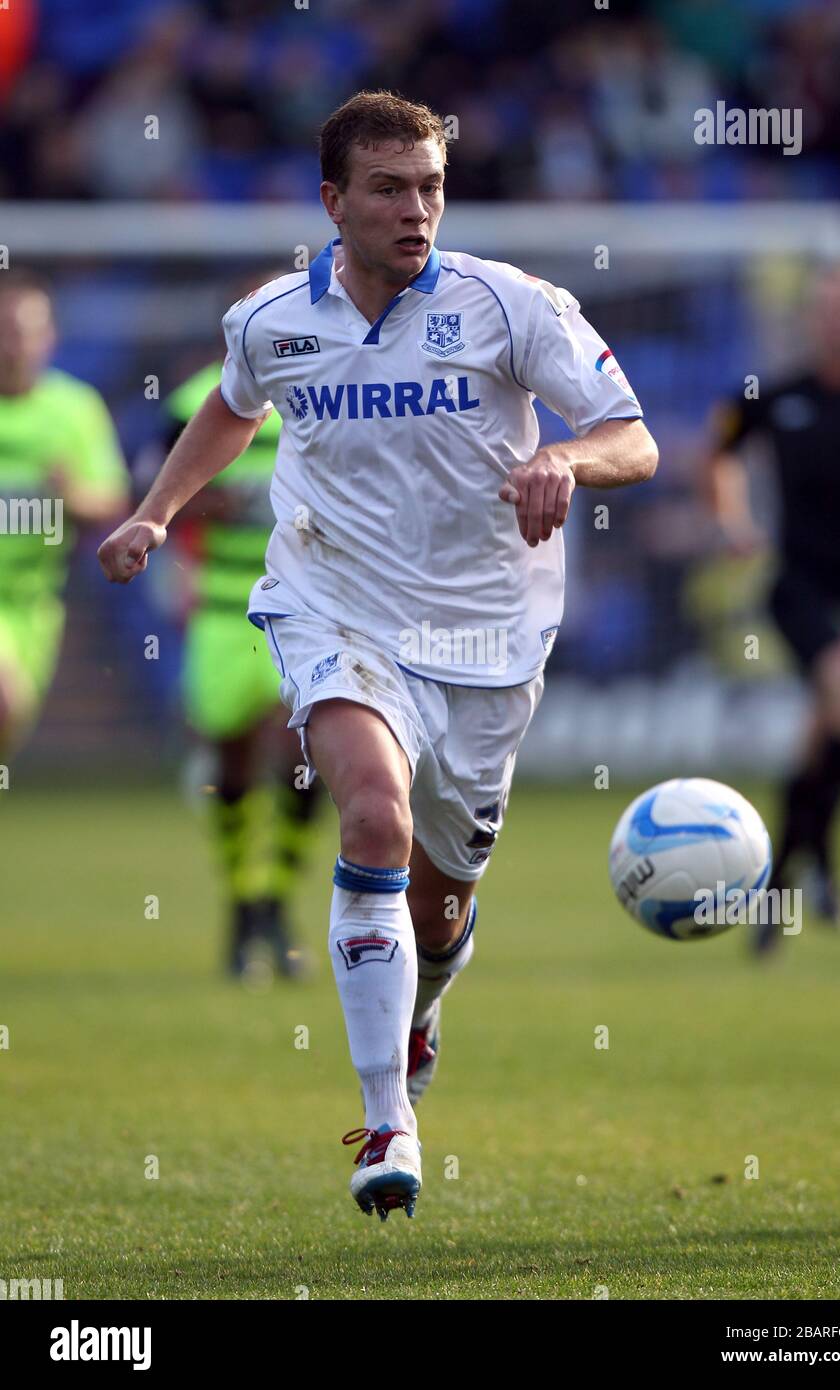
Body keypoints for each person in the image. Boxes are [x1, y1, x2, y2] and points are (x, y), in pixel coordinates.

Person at [98, 90, 658, 1220]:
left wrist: (567, 462)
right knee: (368, 817)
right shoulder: (275, 319)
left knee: (440, 905)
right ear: (333, 202)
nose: (418, 211)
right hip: (335, 607)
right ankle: (384, 1115)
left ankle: (423, 1000)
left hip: (488, 640)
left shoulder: (511, 305)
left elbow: (634, 437)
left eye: (433, 187)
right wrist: (157, 512)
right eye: (391, 189)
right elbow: (230, 408)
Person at [704, 263, 840, 952]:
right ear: (814, 320)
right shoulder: (779, 394)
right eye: (832, 307)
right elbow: (720, 452)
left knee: (834, 733)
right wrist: (733, 523)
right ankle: (805, 870)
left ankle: (790, 877)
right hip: (803, 588)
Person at [152, 341, 322, 979]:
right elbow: (162, 491)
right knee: (232, 759)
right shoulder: (193, 401)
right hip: (224, 611)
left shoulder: (329, 383)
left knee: (308, 756)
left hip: (306, 608)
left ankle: (277, 897)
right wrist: (207, 505)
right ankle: (242, 901)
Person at [0, 270, 128, 759]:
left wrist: (70, 495)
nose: (15, 347)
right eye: (5, 333)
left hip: (34, 602)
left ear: (48, 338)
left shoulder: (74, 410)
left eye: (26, 333)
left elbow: (112, 507)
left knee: (9, 720)